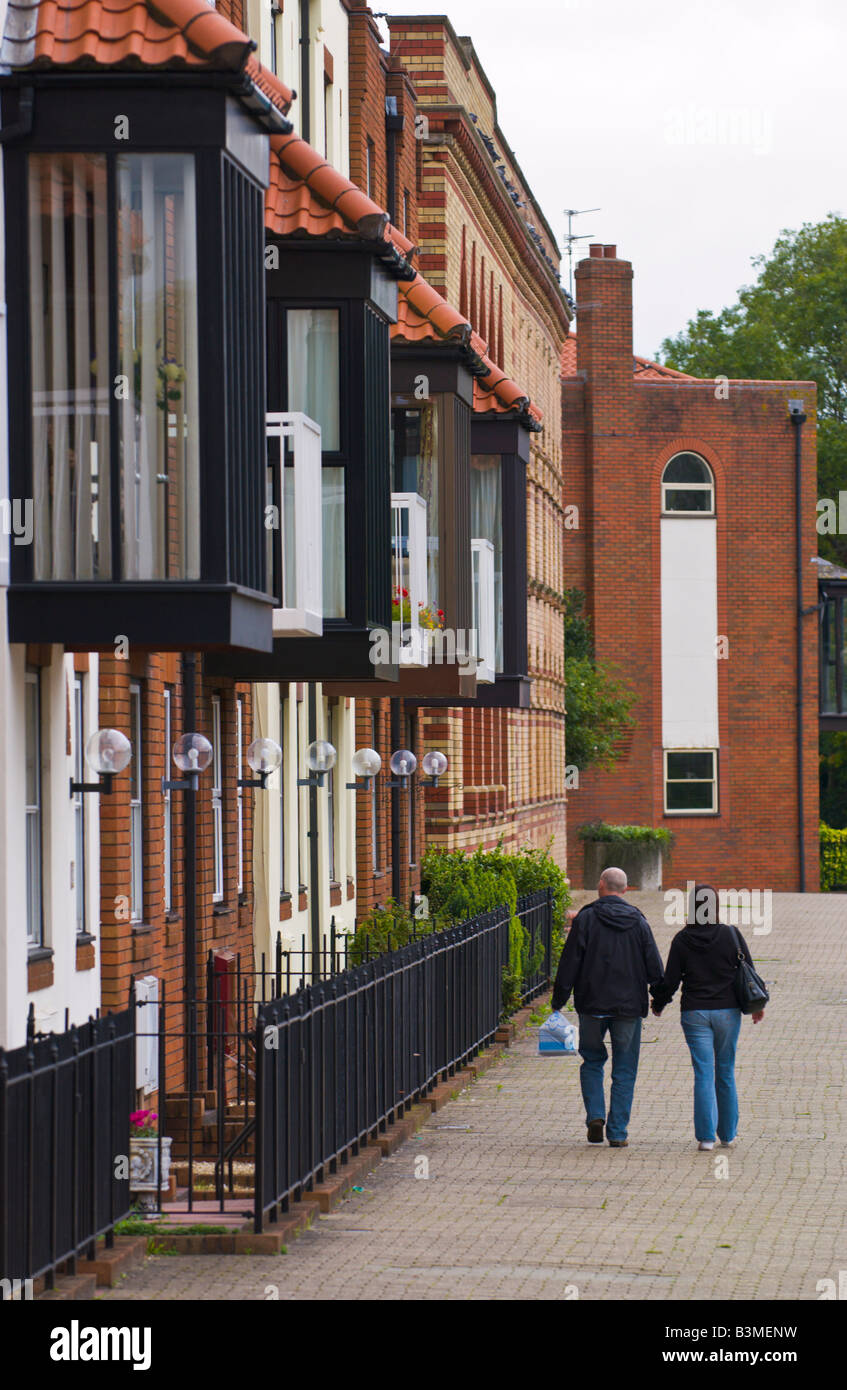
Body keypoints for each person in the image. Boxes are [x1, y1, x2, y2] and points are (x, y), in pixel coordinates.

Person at [552, 866, 664, 1148]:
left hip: (592, 1005)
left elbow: (569, 963)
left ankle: (595, 1116)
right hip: (628, 1008)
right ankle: (617, 1133)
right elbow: (655, 968)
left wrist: (558, 1000)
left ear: (600, 885)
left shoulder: (586, 919)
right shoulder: (639, 921)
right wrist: (659, 999)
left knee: (591, 1059)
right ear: (625, 890)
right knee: (625, 1069)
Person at [650, 883, 765, 1151]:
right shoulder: (731, 935)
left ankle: (705, 1138)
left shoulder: (682, 939)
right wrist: (757, 1005)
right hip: (727, 1012)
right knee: (725, 1071)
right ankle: (727, 1134)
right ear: (715, 907)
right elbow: (749, 970)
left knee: (703, 1072)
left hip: (695, 1013)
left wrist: (659, 1003)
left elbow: (671, 980)